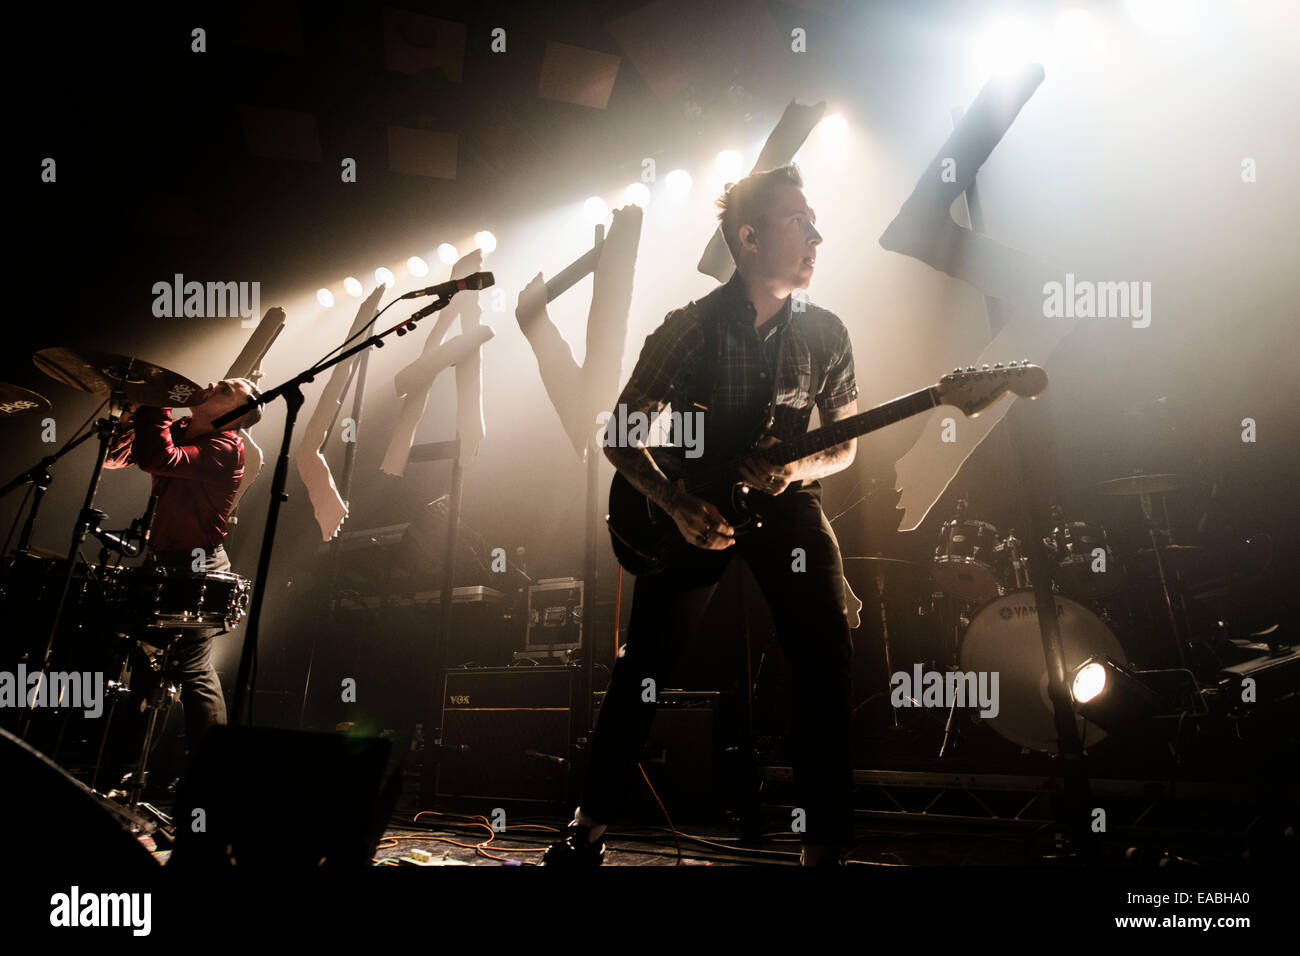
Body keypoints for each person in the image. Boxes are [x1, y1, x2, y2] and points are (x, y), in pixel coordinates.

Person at [545, 164, 860, 867]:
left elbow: (843, 446)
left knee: (825, 654)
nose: (817, 236)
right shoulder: (686, 331)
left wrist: (794, 467)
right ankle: (586, 828)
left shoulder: (828, 334)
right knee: (644, 666)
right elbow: (620, 436)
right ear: (748, 239)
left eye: (815, 222)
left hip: (785, 505)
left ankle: (825, 850)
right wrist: (674, 502)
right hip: (693, 508)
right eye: (797, 222)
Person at [105, 378, 261, 759]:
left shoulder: (226, 448)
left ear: (234, 416)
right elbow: (117, 458)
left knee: (192, 670)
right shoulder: (181, 430)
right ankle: (129, 769)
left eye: (225, 390)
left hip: (197, 567)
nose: (212, 384)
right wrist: (129, 420)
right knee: (149, 666)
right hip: (164, 563)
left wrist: (157, 401)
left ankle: (210, 770)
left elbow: (160, 459)